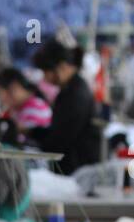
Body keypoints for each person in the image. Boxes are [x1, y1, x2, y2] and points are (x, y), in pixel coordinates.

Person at [31, 39, 101, 175]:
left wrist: (38, 141)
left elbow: (61, 137)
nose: (45, 78)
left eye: (46, 72)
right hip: (73, 166)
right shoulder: (70, 90)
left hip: (78, 170)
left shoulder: (76, 94)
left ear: (62, 67)